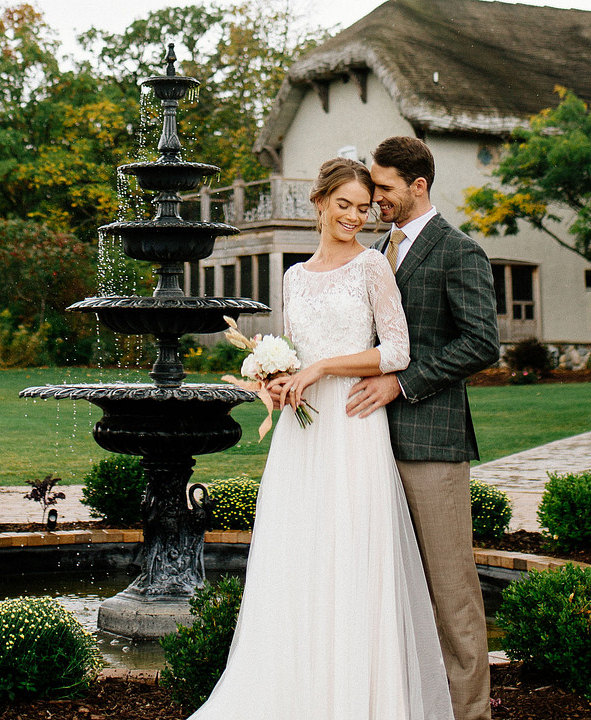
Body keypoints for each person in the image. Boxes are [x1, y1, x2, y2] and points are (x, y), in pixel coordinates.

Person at [187, 157, 454, 720]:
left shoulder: (373, 268)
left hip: (354, 428)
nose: (356, 216)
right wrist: (281, 377)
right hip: (302, 437)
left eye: (364, 207)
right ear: (320, 202)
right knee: (298, 554)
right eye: (345, 205)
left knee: (352, 553)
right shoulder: (294, 277)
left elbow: (398, 352)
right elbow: (299, 352)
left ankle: (356, 698)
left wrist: (321, 369)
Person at [345, 136, 500, 720]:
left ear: (418, 186)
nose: (373, 198)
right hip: (364, 442)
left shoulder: (459, 251)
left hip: (431, 442)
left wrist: (402, 384)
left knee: (450, 587)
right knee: (384, 583)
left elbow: (482, 342)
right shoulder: (375, 250)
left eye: (383, 188)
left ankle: (469, 712)